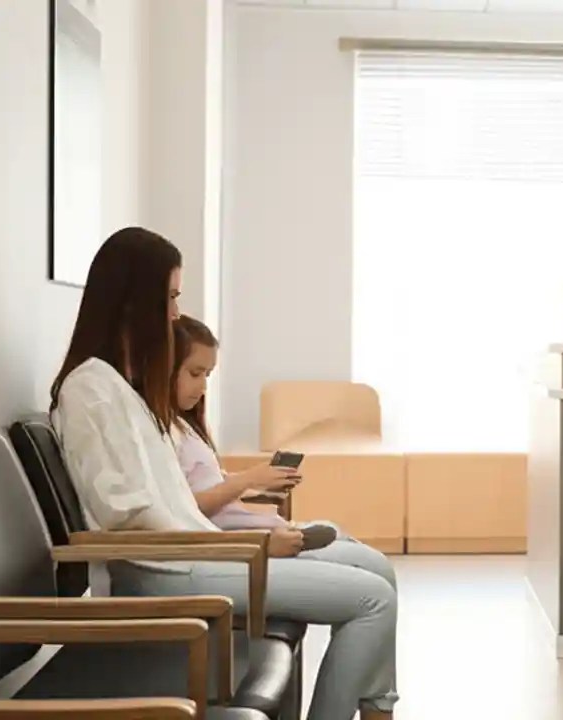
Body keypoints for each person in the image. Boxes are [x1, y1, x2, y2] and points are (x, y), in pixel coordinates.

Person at [49, 227, 398, 720]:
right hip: (165, 573)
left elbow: (166, 506)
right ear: (133, 299)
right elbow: (127, 517)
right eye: (168, 297)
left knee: (375, 585)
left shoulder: (120, 388)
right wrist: (246, 548)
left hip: (190, 559)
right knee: (373, 599)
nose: (174, 314)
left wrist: (245, 545)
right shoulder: (93, 391)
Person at [171, 314, 395, 581]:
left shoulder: (185, 428)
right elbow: (182, 508)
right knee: (374, 579)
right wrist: (247, 479)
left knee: (364, 556)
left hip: (255, 533)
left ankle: (300, 534)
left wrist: (259, 484)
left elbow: (203, 484)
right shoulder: (161, 433)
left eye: (207, 375)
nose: (203, 387)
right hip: (245, 543)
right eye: (195, 373)